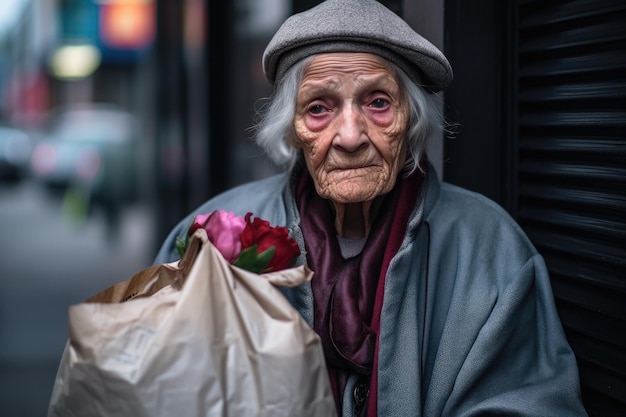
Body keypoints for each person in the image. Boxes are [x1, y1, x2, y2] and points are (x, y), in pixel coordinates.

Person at [154, 0, 588, 415]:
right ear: (292, 130)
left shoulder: (491, 248)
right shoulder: (216, 233)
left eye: (378, 103)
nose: (349, 136)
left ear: (412, 121)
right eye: (319, 108)